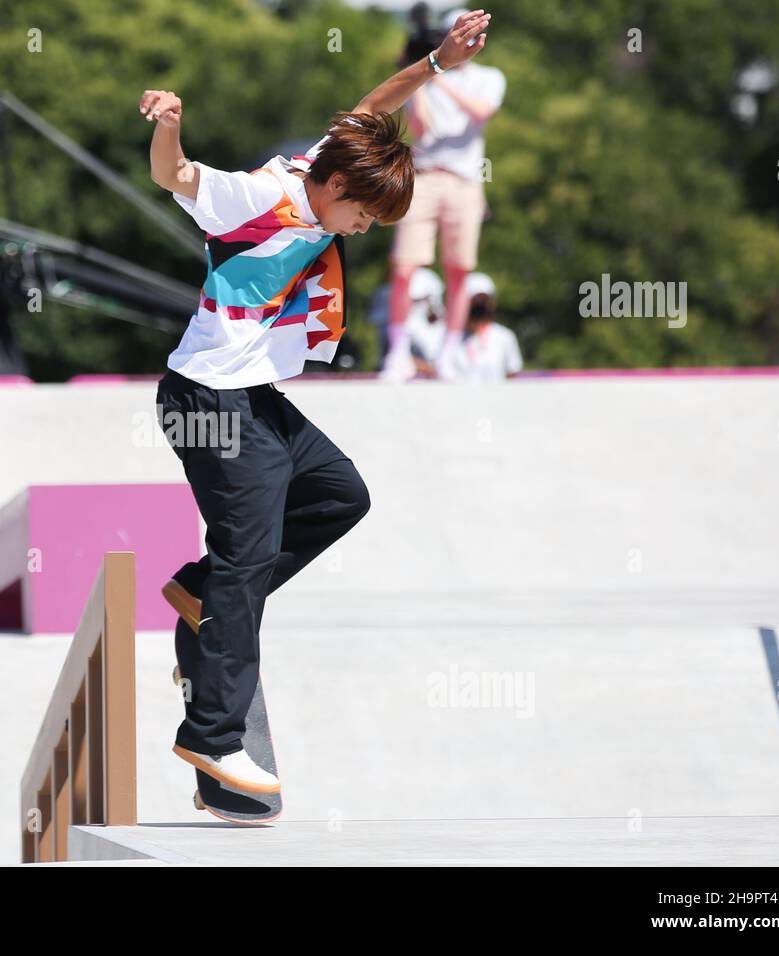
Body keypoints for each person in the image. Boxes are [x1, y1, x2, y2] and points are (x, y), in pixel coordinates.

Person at [139, 8, 493, 795]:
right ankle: (212, 738)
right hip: (207, 401)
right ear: (333, 187)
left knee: (340, 493)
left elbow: (378, 105)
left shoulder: (327, 159)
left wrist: (437, 59)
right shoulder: (259, 196)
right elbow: (177, 176)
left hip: (249, 397)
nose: (359, 231)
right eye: (360, 216)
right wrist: (169, 125)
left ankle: (203, 591)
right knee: (250, 556)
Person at [382, 5, 506, 383]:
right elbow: (421, 126)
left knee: (458, 270)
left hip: (465, 180)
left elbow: (480, 113)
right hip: (423, 176)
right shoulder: (425, 75)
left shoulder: (489, 77)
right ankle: (398, 353)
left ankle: (448, 354)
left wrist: (440, 72)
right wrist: (423, 73)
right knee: (404, 267)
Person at [449, 272, 522, 382]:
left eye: (483, 301)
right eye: (475, 301)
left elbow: (512, 374)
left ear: (492, 302)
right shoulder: (450, 337)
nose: (479, 306)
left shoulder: (505, 336)